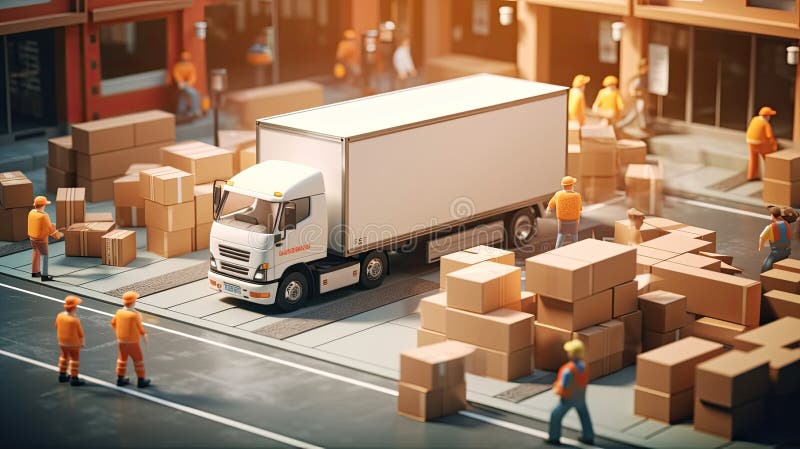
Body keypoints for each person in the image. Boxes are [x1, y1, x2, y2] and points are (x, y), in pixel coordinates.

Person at [547, 339, 594, 446]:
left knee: (556, 415)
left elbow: (564, 384)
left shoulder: (568, 369)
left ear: (573, 354)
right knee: (584, 416)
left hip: (568, 398)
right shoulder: (584, 366)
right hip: (581, 397)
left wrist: (556, 387)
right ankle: (588, 436)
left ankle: (554, 437)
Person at [111, 291, 151, 388]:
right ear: (133, 302)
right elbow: (140, 327)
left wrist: (119, 333)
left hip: (121, 341)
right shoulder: (134, 315)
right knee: (138, 360)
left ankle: (120, 378)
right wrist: (144, 336)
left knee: (122, 359)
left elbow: (113, 323)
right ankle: (141, 380)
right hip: (132, 342)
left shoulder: (119, 312)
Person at [28, 195, 62, 282]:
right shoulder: (44, 215)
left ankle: (35, 272)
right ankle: (45, 276)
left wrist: (53, 226)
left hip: (32, 238)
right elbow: (50, 229)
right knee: (45, 256)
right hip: (41, 240)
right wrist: (57, 235)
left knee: (36, 253)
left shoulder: (31, 212)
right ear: (43, 205)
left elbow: (40, 224)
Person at [55, 295, 86, 386]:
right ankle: (74, 377)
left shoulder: (60, 316)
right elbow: (80, 334)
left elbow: (56, 326)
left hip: (62, 342)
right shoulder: (74, 320)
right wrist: (82, 342)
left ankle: (62, 374)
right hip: (73, 344)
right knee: (74, 360)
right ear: (74, 308)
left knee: (64, 357)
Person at [547, 176, 582, 248]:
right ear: (572, 185)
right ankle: (575, 249)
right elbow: (580, 208)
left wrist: (548, 210)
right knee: (574, 236)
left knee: (561, 234)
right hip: (574, 221)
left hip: (562, 221)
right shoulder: (577, 196)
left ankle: (557, 248)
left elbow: (551, 204)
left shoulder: (558, 194)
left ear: (563, 186)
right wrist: (578, 219)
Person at [746, 106, 778, 181]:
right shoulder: (766, 124)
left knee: (753, 159)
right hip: (760, 144)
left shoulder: (755, 119)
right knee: (768, 158)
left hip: (750, 142)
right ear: (767, 116)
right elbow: (770, 137)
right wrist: (774, 146)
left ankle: (751, 176)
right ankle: (771, 176)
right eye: (770, 115)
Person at [617, 59, 649, 131]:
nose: (647, 68)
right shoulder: (638, 77)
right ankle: (642, 126)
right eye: (646, 66)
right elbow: (632, 87)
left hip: (641, 97)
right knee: (638, 111)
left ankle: (642, 126)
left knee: (637, 112)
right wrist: (635, 93)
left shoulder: (644, 77)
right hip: (638, 97)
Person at [759, 206, 792, 272]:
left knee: (765, 268)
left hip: (776, 253)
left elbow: (762, 237)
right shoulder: (786, 224)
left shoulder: (770, 227)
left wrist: (760, 247)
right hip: (787, 251)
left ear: (772, 215)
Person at [173, 51, 202, 119]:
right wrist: (181, 82)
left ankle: (182, 111)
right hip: (180, 85)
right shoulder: (178, 66)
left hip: (187, 85)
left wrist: (188, 83)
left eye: (186, 60)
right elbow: (176, 75)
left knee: (184, 95)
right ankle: (195, 110)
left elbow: (193, 76)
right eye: (184, 59)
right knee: (194, 94)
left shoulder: (191, 66)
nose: (185, 61)